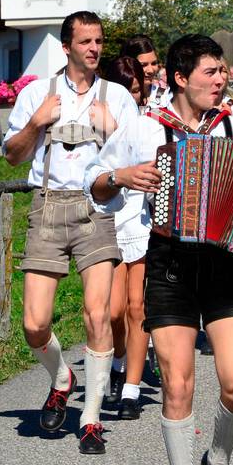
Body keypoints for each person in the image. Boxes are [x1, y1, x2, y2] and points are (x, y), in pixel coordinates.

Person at [86, 33, 233, 465]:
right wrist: (121, 176)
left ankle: (217, 461)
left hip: (226, 263)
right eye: (210, 72)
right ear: (180, 78)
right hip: (170, 264)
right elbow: (94, 183)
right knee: (177, 384)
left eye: (223, 71)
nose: (221, 80)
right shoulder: (145, 127)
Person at [3, 11, 135, 454]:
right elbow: (13, 156)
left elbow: (136, 158)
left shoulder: (116, 96)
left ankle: (91, 418)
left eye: (99, 41)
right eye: (85, 42)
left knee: (97, 315)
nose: (95, 48)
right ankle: (61, 377)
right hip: (47, 207)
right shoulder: (36, 94)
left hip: (96, 208)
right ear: (66, 47)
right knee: (34, 323)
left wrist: (112, 130)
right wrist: (36, 122)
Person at [101, 56, 150, 420]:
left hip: (141, 216)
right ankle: (119, 360)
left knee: (137, 306)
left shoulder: (149, 122)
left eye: (135, 90)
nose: (131, 97)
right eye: (124, 90)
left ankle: (132, 388)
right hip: (109, 216)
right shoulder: (96, 119)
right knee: (114, 310)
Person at [120, 34, 164, 108]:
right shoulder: (114, 96)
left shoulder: (165, 97)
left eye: (154, 63)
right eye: (143, 65)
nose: (150, 70)